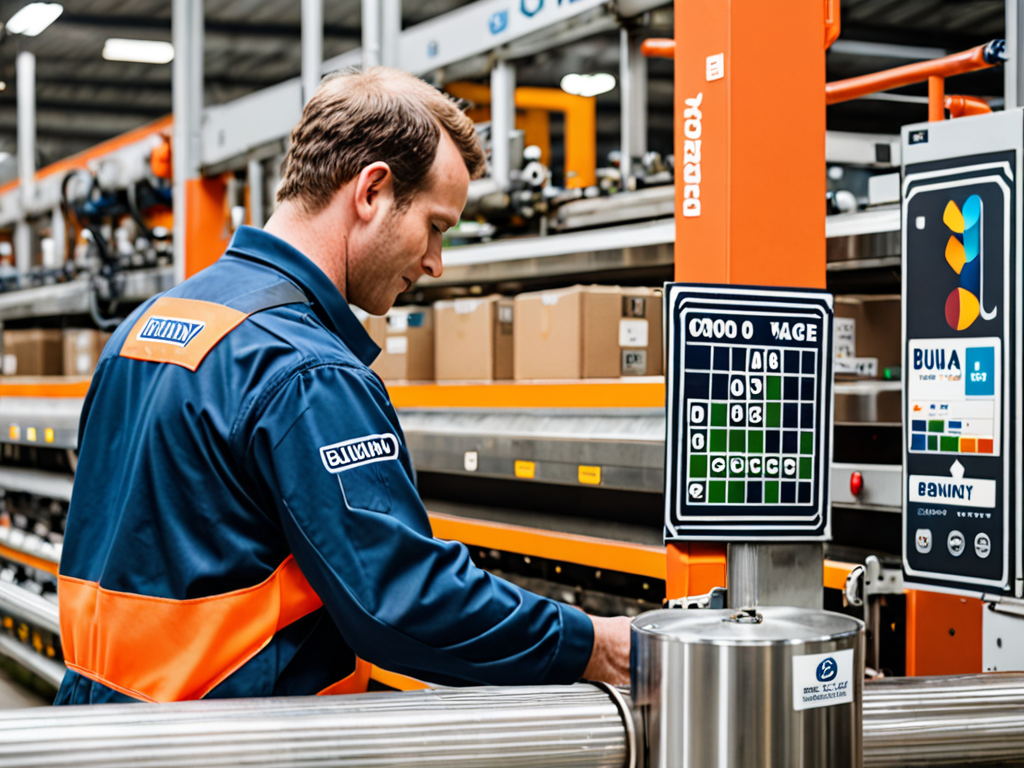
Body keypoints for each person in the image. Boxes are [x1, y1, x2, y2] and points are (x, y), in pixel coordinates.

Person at [54, 67, 630, 705]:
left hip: (102, 725)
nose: (436, 261)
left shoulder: (149, 323)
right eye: (436, 227)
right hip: (226, 743)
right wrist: (598, 645)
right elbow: (402, 601)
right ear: (373, 191)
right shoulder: (305, 371)